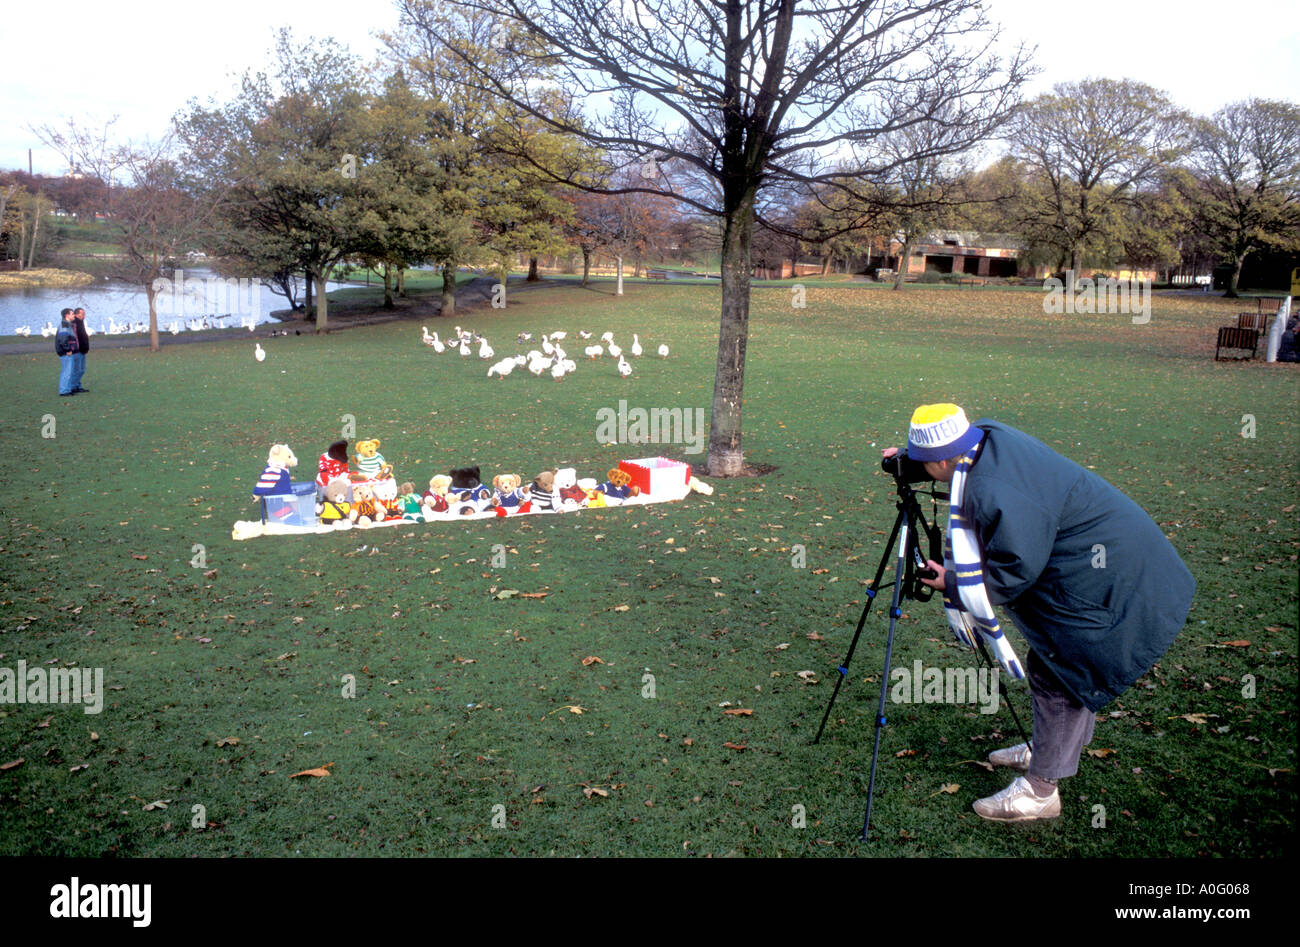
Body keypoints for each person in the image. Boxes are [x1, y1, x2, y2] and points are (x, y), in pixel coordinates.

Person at [886, 404, 1195, 823]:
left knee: (1060, 666)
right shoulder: (986, 439)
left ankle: (1041, 789)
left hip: (1113, 577)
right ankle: (1053, 746)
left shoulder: (991, 490)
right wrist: (906, 464)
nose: (922, 468)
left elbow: (1015, 568)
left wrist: (954, 585)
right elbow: (952, 470)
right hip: (1115, 556)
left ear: (943, 459)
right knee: (1062, 663)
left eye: (923, 462)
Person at [54, 308, 80, 396]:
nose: (74, 315)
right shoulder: (64, 325)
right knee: (66, 371)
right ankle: (64, 391)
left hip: (69, 351)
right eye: (72, 314)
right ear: (67, 315)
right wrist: (68, 350)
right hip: (66, 352)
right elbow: (63, 339)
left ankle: (68, 389)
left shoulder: (68, 325)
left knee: (69, 371)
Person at [70, 306, 90, 392]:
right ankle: (73, 387)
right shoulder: (74, 324)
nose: (84, 316)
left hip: (83, 350)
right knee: (77, 370)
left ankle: (77, 386)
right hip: (77, 350)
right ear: (77, 314)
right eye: (83, 314)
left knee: (81, 370)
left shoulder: (81, 322)